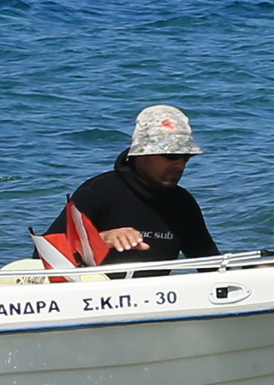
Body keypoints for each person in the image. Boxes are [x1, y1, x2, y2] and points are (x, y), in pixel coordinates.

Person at [60, 104, 219, 265]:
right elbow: (43, 256)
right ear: (141, 154)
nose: (180, 165)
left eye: (186, 157)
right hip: (98, 288)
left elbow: (211, 265)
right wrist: (101, 240)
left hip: (158, 290)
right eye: (171, 156)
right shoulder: (97, 192)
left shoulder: (182, 203)